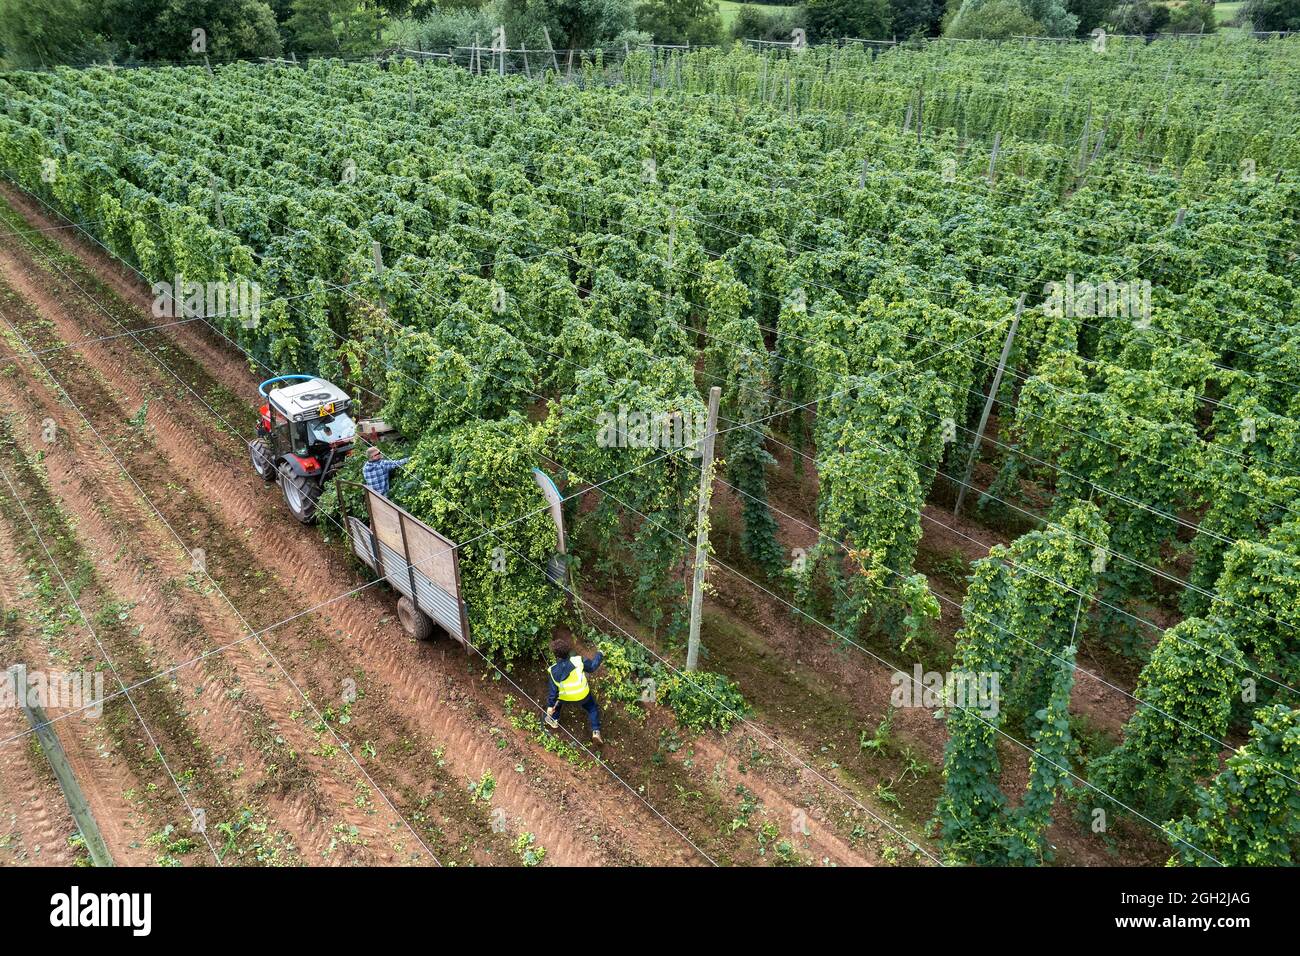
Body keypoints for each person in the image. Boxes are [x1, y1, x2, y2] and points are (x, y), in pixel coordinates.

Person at [544, 635, 604, 744]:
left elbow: (553, 693)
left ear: (555, 655)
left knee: (558, 700)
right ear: (568, 651)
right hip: (583, 694)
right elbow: (592, 667)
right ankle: (596, 731)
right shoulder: (578, 660)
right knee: (592, 708)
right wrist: (600, 654)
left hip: (566, 697)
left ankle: (554, 720)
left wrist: (550, 707)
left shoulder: (552, 670)